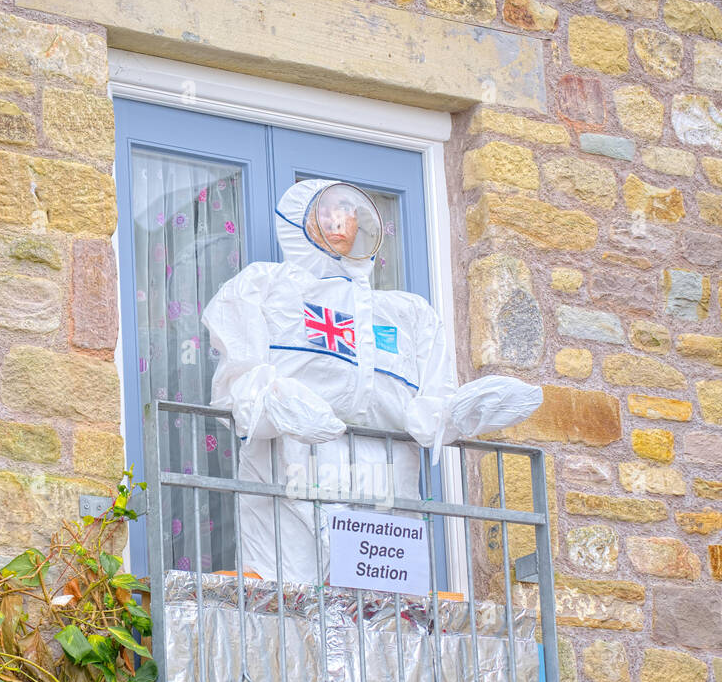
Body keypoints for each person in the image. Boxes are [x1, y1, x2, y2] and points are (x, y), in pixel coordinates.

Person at [201, 177, 542, 583]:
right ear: (302, 220)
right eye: (326, 210)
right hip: (293, 472)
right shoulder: (267, 288)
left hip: (385, 488)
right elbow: (235, 385)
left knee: (387, 613)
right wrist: (276, 400)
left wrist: (468, 411)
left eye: (348, 210)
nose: (339, 219)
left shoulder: (406, 314)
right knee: (289, 598)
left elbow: (431, 407)